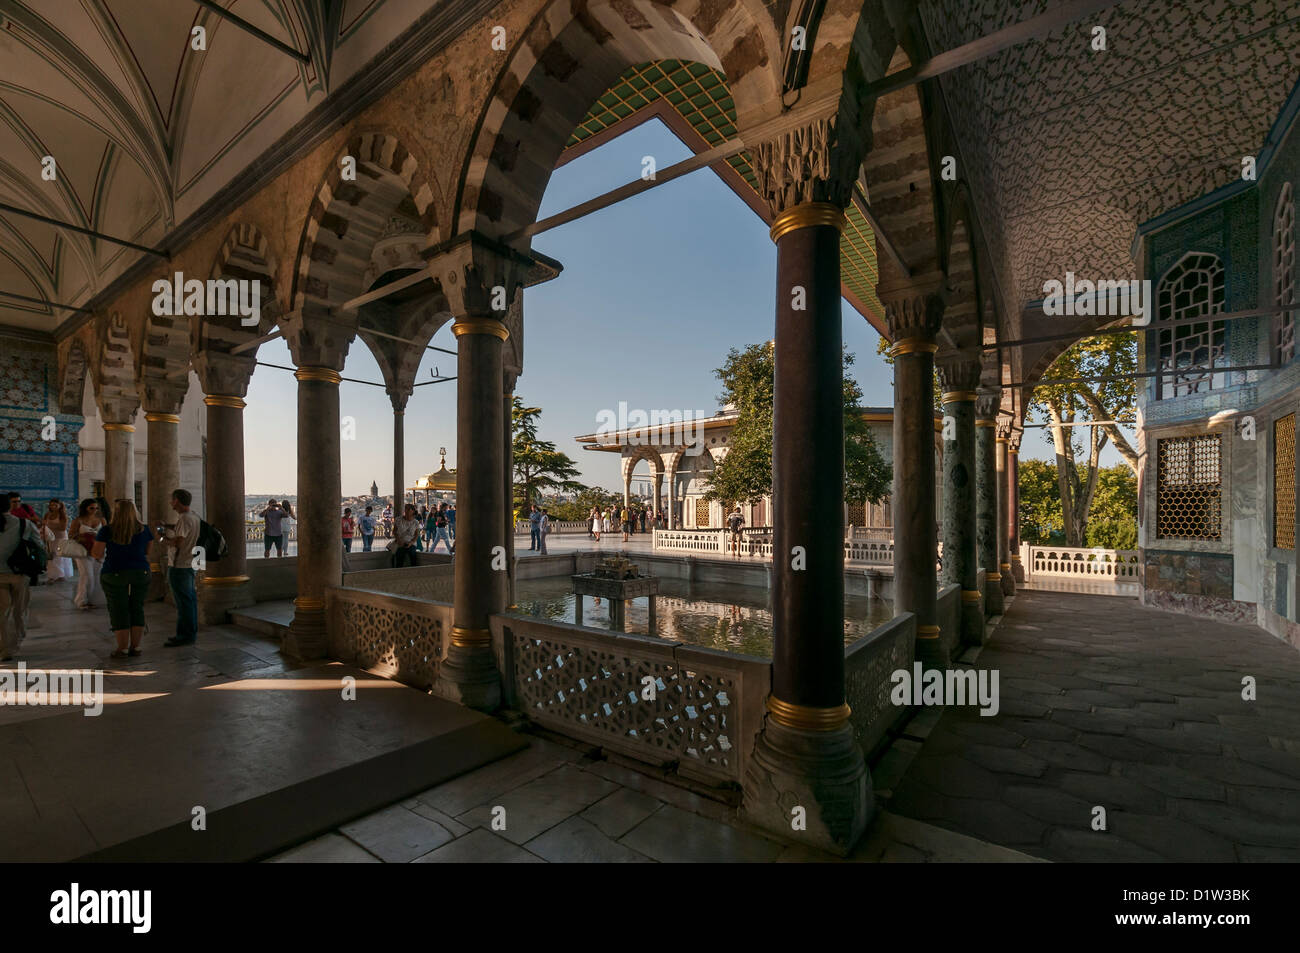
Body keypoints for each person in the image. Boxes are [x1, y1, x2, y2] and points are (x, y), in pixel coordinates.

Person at [94, 499, 158, 658]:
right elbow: (148, 551)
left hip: (114, 572)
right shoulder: (144, 530)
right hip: (140, 572)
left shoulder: (107, 530)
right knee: (137, 607)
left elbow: (97, 553)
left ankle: (122, 648)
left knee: (118, 609)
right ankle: (135, 647)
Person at [0, 494, 43, 660]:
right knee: (19, 610)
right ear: (9, 506)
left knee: (3, 611)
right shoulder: (24, 524)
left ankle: (4, 647)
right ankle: (15, 641)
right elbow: (39, 546)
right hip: (19, 573)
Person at [162, 489, 201, 647]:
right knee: (189, 600)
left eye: (172, 500)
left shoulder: (184, 519)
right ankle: (189, 632)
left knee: (183, 602)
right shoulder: (195, 516)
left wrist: (162, 538)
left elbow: (178, 542)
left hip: (180, 565)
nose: (171, 503)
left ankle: (185, 635)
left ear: (177, 500)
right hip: (191, 562)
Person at [68, 498, 106, 610]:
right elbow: (71, 535)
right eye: (91, 508)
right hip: (83, 552)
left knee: (97, 576)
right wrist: (84, 537)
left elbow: (107, 534)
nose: (94, 510)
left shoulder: (102, 520)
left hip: (98, 551)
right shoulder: (78, 521)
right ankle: (82, 601)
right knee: (87, 576)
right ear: (85, 508)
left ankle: (94, 600)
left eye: (96, 508)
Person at [43, 500, 72, 583]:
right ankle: (52, 575)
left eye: (55, 505)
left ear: (60, 506)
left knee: (60, 556)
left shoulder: (63, 516)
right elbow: (44, 524)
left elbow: (63, 528)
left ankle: (61, 575)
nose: (53, 507)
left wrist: (49, 526)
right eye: (51, 505)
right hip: (50, 538)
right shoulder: (47, 514)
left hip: (60, 538)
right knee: (51, 556)